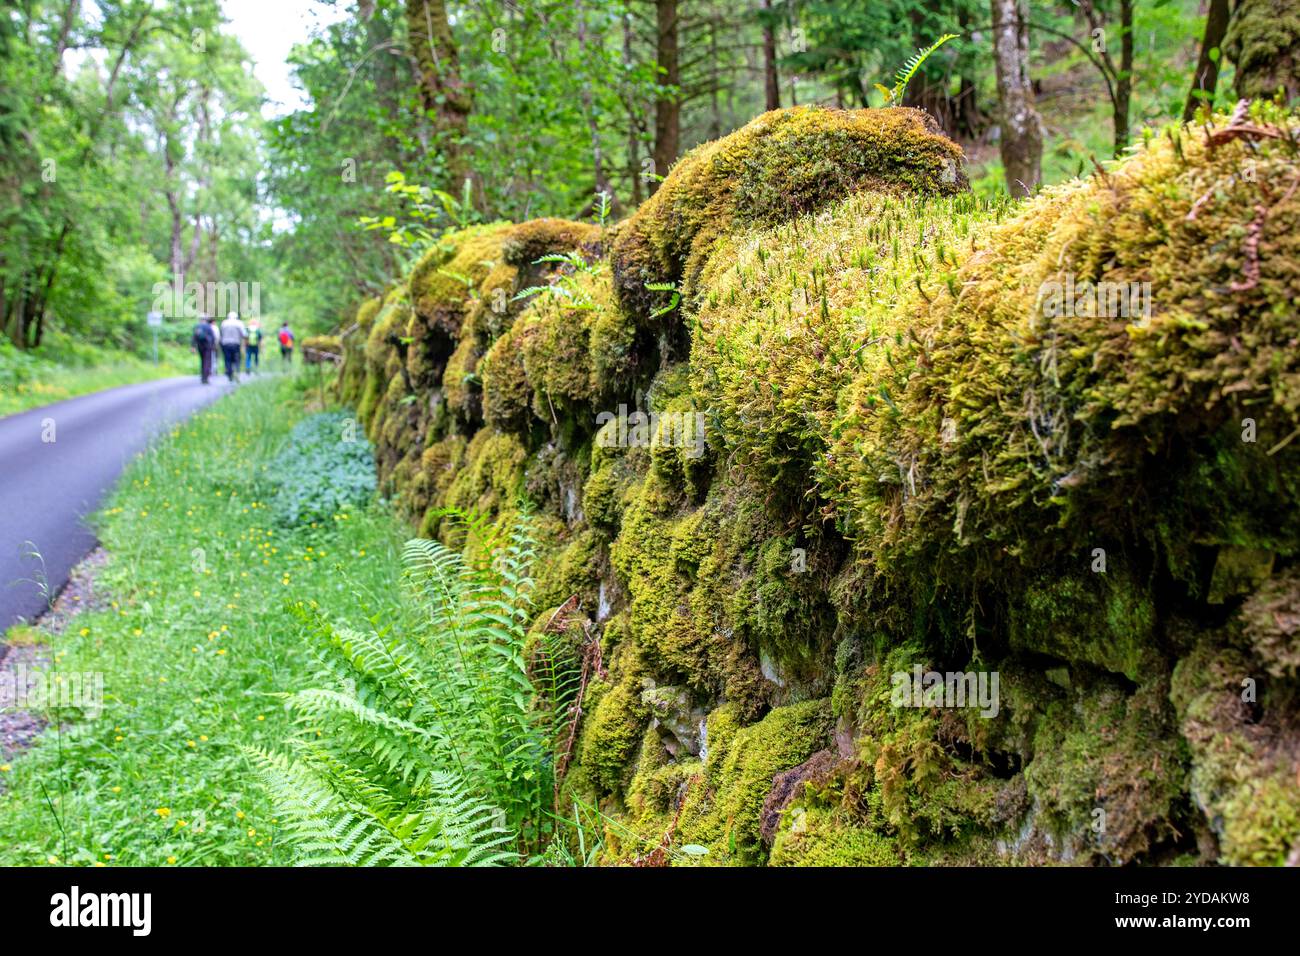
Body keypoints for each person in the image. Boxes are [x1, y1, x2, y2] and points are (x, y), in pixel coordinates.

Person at [219, 311, 247, 382]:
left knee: (227, 359)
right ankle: (237, 372)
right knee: (236, 358)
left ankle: (229, 372)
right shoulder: (239, 323)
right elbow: (244, 334)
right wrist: (244, 345)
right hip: (236, 343)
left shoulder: (224, 323)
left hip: (225, 344)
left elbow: (221, 334)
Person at [191, 314, 216, 384]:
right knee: (207, 361)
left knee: (202, 361)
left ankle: (202, 377)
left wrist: (193, 347)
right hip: (208, 347)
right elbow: (213, 337)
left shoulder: (197, 326)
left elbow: (194, 337)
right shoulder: (209, 327)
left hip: (200, 346)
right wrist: (213, 346)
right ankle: (206, 377)